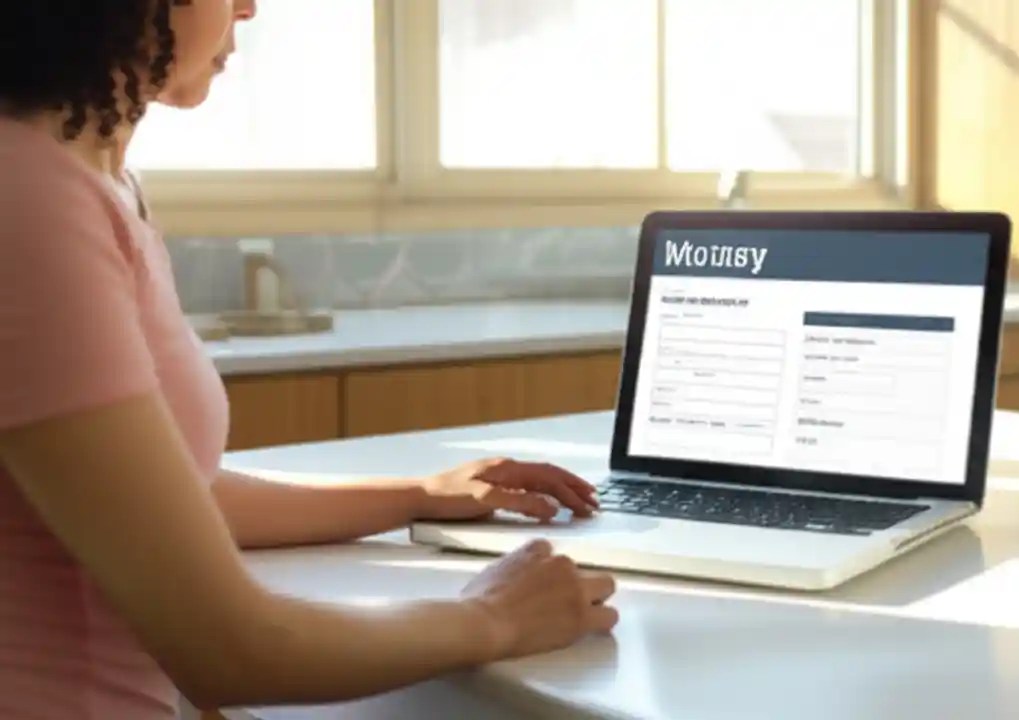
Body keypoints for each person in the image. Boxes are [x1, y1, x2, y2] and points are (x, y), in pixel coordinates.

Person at [0, 2, 618, 717]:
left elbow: (160, 501)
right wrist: (496, 618)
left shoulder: (95, 183)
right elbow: (231, 649)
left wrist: (415, 495)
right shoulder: (30, 200)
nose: (248, 6)